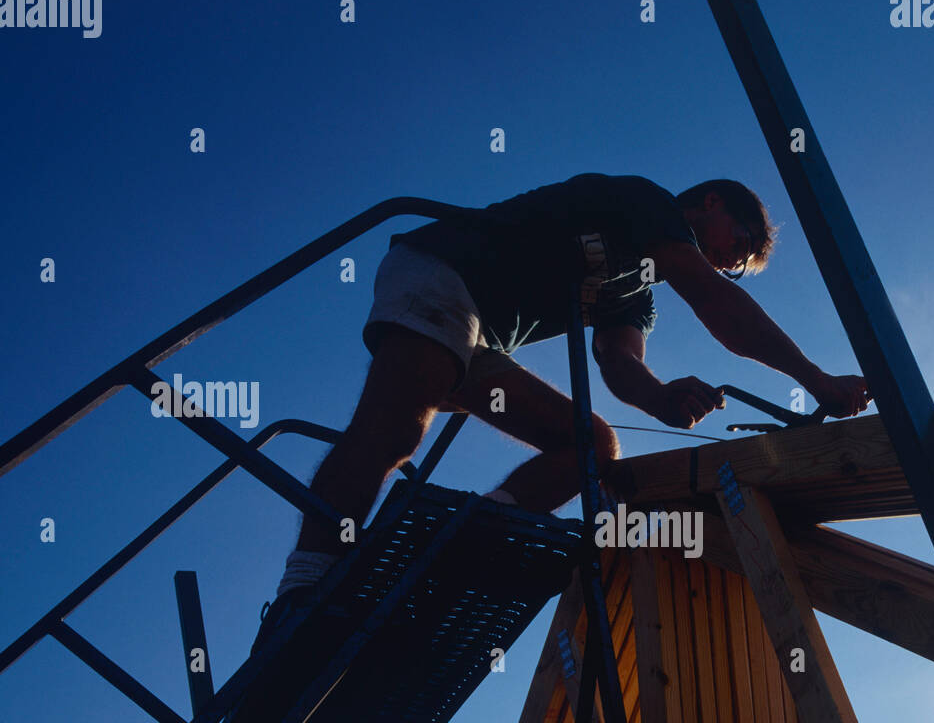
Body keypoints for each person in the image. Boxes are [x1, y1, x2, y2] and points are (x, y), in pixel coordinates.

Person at [258, 172, 871, 640]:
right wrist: (815, 380)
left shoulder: (636, 292)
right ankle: (304, 590)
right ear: (712, 204)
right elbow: (715, 304)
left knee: (592, 447)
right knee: (393, 429)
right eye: (734, 246)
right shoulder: (647, 204)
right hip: (444, 272)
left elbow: (620, 364)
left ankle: (465, 536)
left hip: (478, 337)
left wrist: (658, 397)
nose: (725, 266)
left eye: (735, 267)